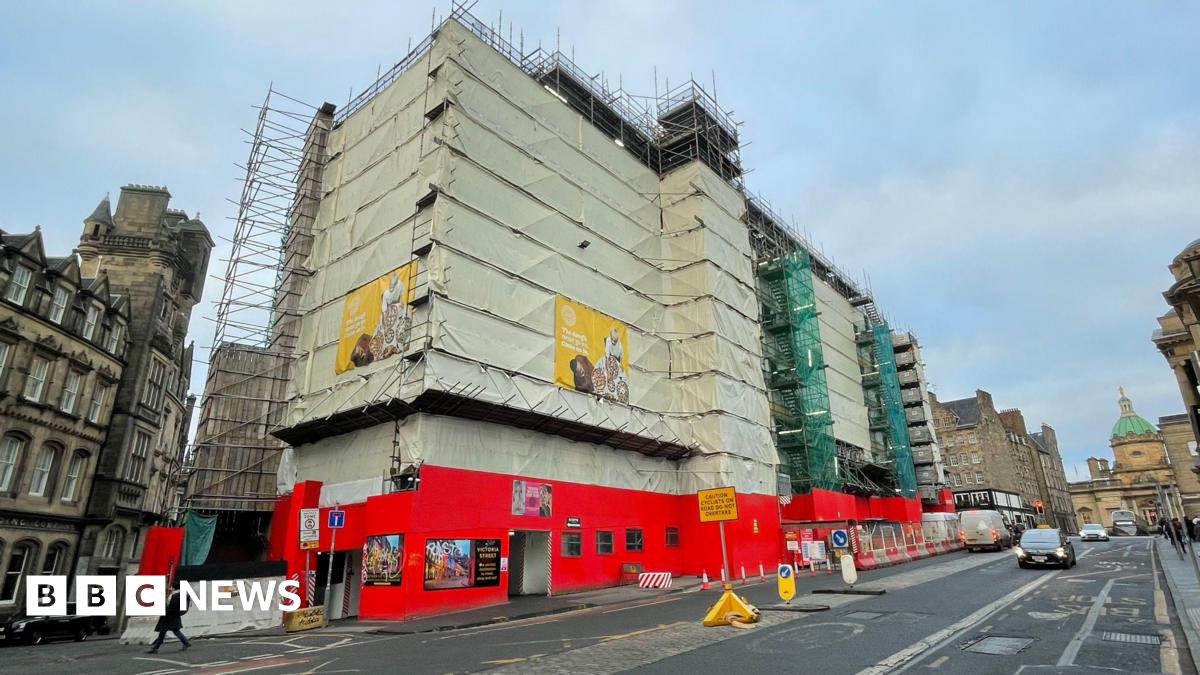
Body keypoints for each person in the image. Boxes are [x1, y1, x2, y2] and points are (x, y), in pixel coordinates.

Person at [147, 581, 190, 653]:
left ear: (173, 588)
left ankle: (155, 648)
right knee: (171, 631)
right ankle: (155, 648)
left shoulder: (175, 596)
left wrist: (165, 610)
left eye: (171, 587)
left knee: (165, 632)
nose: (170, 588)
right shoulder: (179, 595)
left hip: (169, 616)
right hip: (172, 616)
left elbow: (170, 606)